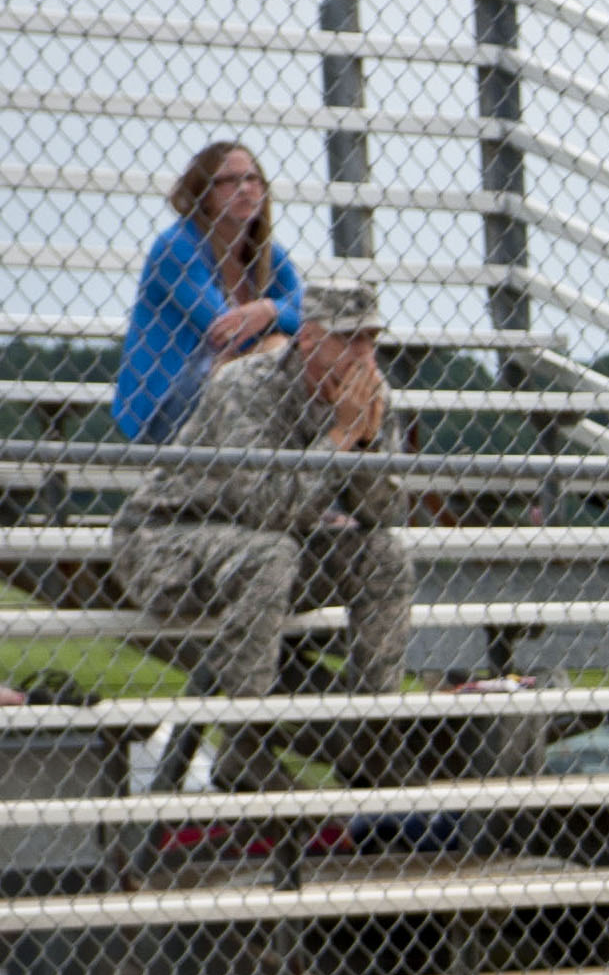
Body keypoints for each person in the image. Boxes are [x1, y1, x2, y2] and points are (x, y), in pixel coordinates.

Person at [108, 275, 410, 750]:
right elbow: (265, 509)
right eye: (348, 338)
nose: (363, 355)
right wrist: (339, 438)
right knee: (270, 553)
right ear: (308, 338)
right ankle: (246, 740)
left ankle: (375, 732)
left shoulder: (369, 394)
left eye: (370, 339)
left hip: (270, 549)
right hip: (166, 540)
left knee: (384, 555)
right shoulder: (246, 385)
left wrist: (366, 444)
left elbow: (384, 511)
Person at [115, 140, 303, 443]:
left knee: (308, 358)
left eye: (252, 179)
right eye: (229, 181)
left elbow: (310, 315)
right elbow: (223, 330)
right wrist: (275, 329)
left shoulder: (269, 254)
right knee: (278, 348)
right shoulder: (176, 247)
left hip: (241, 387)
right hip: (169, 403)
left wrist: (270, 310)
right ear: (203, 194)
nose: (244, 189)